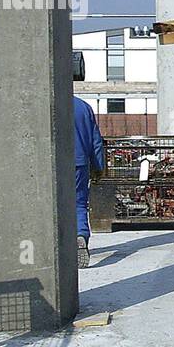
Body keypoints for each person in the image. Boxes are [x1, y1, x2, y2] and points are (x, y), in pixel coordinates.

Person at [72, 80, 105, 268]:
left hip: (52, 165)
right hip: (79, 163)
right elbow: (95, 140)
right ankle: (80, 235)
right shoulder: (84, 107)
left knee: (51, 205)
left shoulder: (45, 104)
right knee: (78, 203)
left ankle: (55, 245)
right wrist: (98, 167)